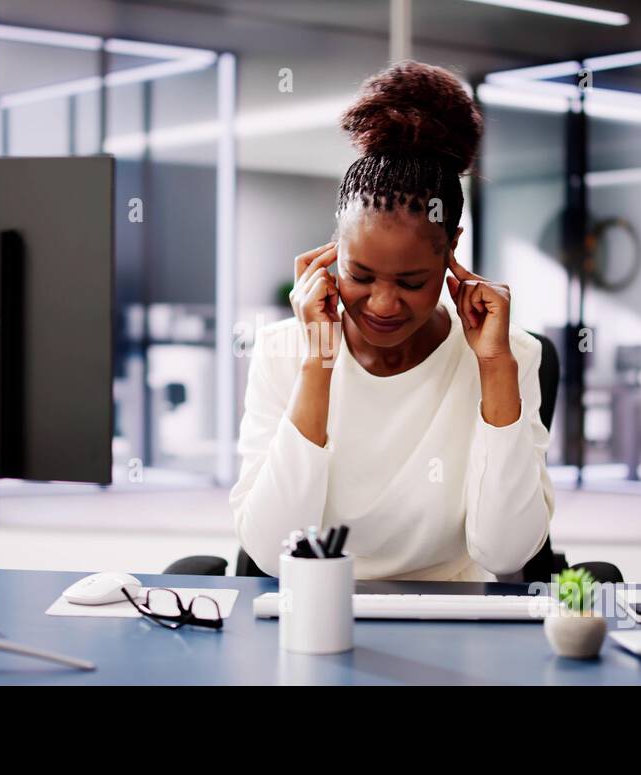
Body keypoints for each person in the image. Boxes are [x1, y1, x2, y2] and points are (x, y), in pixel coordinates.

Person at [230, 60, 554, 582]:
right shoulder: (283, 351)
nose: (383, 304)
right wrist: (318, 360)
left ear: (451, 248)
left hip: (453, 620)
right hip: (316, 609)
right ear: (333, 251)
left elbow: (506, 554)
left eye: (410, 282)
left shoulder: (509, 355)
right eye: (360, 274)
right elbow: (272, 553)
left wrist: (495, 367)